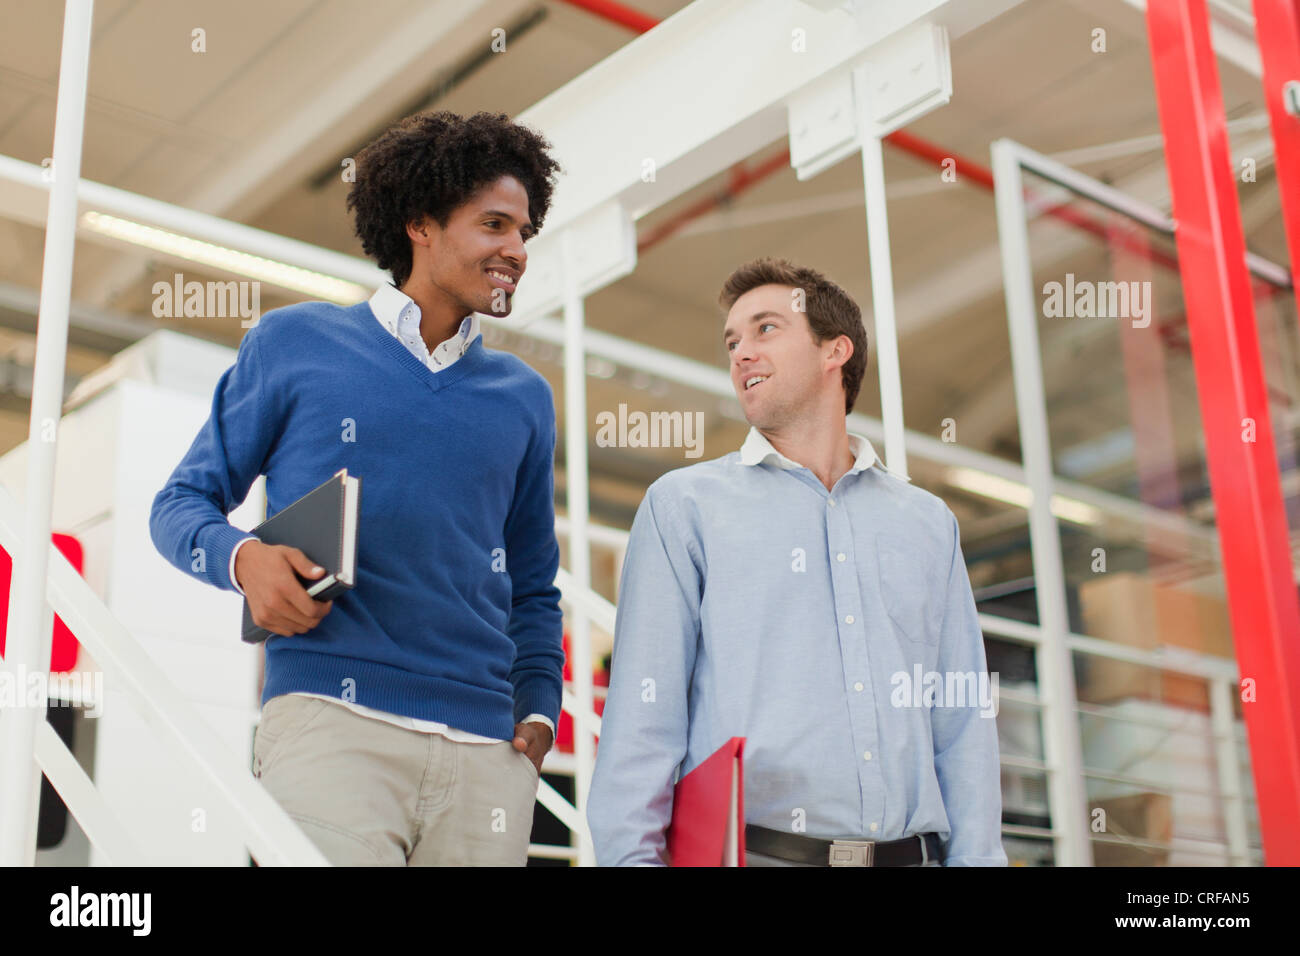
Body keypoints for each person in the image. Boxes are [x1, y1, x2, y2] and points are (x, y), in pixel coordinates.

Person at [149, 111, 565, 866]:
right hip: (332, 726)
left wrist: (539, 704)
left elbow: (534, 584)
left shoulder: (524, 397)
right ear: (420, 224)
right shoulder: (294, 343)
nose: (516, 251)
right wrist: (245, 561)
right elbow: (179, 505)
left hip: (486, 753)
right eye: (496, 224)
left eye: (525, 233)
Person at [587, 257, 1006, 867]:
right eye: (732, 341)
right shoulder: (685, 507)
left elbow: (962, 716)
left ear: (835, 350)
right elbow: (643, 717)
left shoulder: (927, 524)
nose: (740, 353)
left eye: (765, 329)